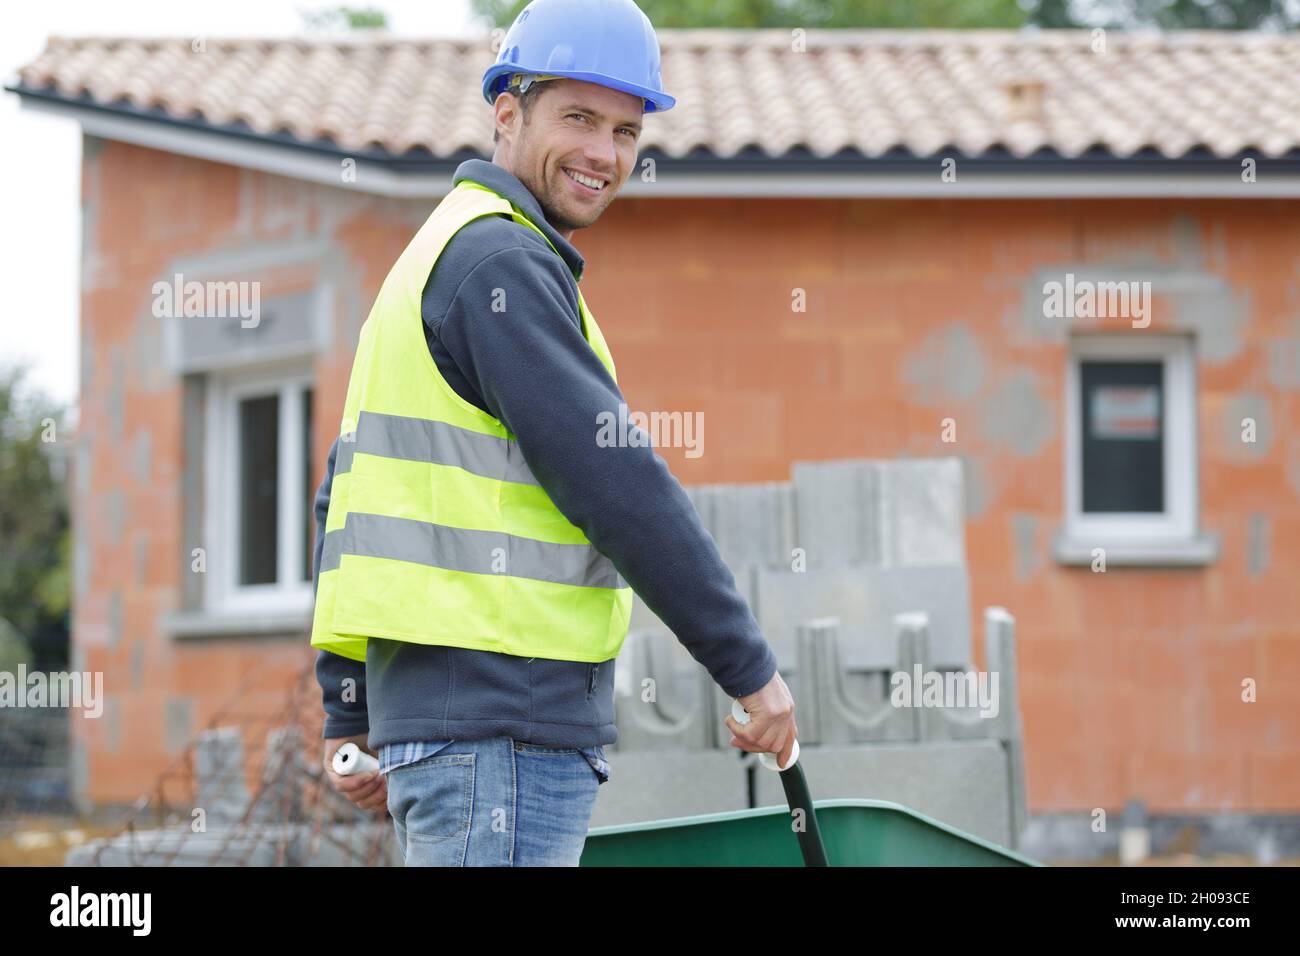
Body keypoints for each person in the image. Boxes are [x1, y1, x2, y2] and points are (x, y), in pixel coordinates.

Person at [312, 0, 796, 866]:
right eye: (578, 117)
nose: (603, 154)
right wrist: (749, 668)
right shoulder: (501, 265)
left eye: (624, 130)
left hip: (458, 734)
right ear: (507, 113)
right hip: (502, 735)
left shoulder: (437, 256)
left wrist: (351, 711)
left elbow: (340, 496)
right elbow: (617, 485)